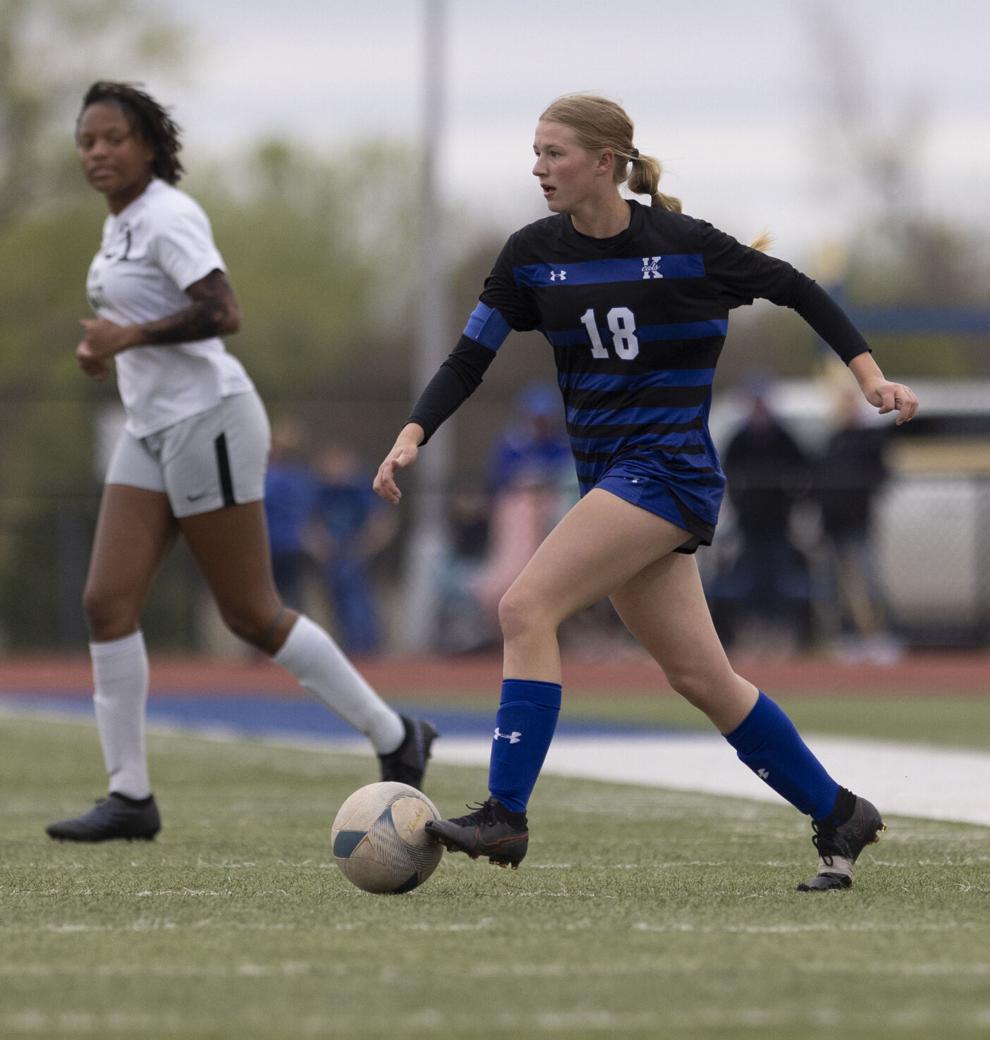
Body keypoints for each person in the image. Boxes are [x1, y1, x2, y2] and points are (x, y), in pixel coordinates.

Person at [374, 93, 918, 892]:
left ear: (605, 162)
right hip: (615, 482)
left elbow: (797, 287)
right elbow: (467, 359)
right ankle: (838, 811)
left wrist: (869, 377)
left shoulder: (686, 247)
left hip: (668, 473)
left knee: (525, 608)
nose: (538, 167)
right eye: (534, 152)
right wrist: (414, 431)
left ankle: (505, 812)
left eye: (554, 152)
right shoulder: (531, 254)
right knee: (704, 679)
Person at [47, 82, 435, 843]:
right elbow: (142, 325)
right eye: (87, 140)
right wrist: (107, 349)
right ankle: (130, 797)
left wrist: (127, 339)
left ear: (149, 146)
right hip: (150, 426)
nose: (97, 152)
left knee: (251, 613)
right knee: (105, 603)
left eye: (112, 139)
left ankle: (395, 734)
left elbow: (224, 311)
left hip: (210, 421)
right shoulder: (118, 226)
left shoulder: (167, 213)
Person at [720, 379, 813, 655]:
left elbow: (803, 468)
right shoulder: (739, 437)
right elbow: (726, 472)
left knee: (777, 575)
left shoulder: (783, 436)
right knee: (750, 576)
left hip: (777, 520)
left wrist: (790, 497)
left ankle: (777, 629)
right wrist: (739, 500)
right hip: (749, 521)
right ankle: (752, 629)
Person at [815, 385, 901, 663]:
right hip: (832, 524)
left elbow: (882, 474)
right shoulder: (833, 440)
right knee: (838, 587)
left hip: (859, 521)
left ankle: (879, 636)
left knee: (868, 580)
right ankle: (847, 636)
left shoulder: (870, 439)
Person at [311, 442, 397, 655]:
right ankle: (348, 647)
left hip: (355, 555)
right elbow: (309, 523)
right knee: (336, 603)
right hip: (333, 556)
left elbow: (382, 521)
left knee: (360, 604)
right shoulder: (322, 490)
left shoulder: (359, 488)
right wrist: (319, 544)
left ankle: (367, 647)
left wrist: (365, 546)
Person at [263, 416, 320, 611]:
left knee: (268, 598)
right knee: (292, 598)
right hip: (294, 545)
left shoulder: (270, 477)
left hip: (271, 545)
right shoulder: (303, 477)